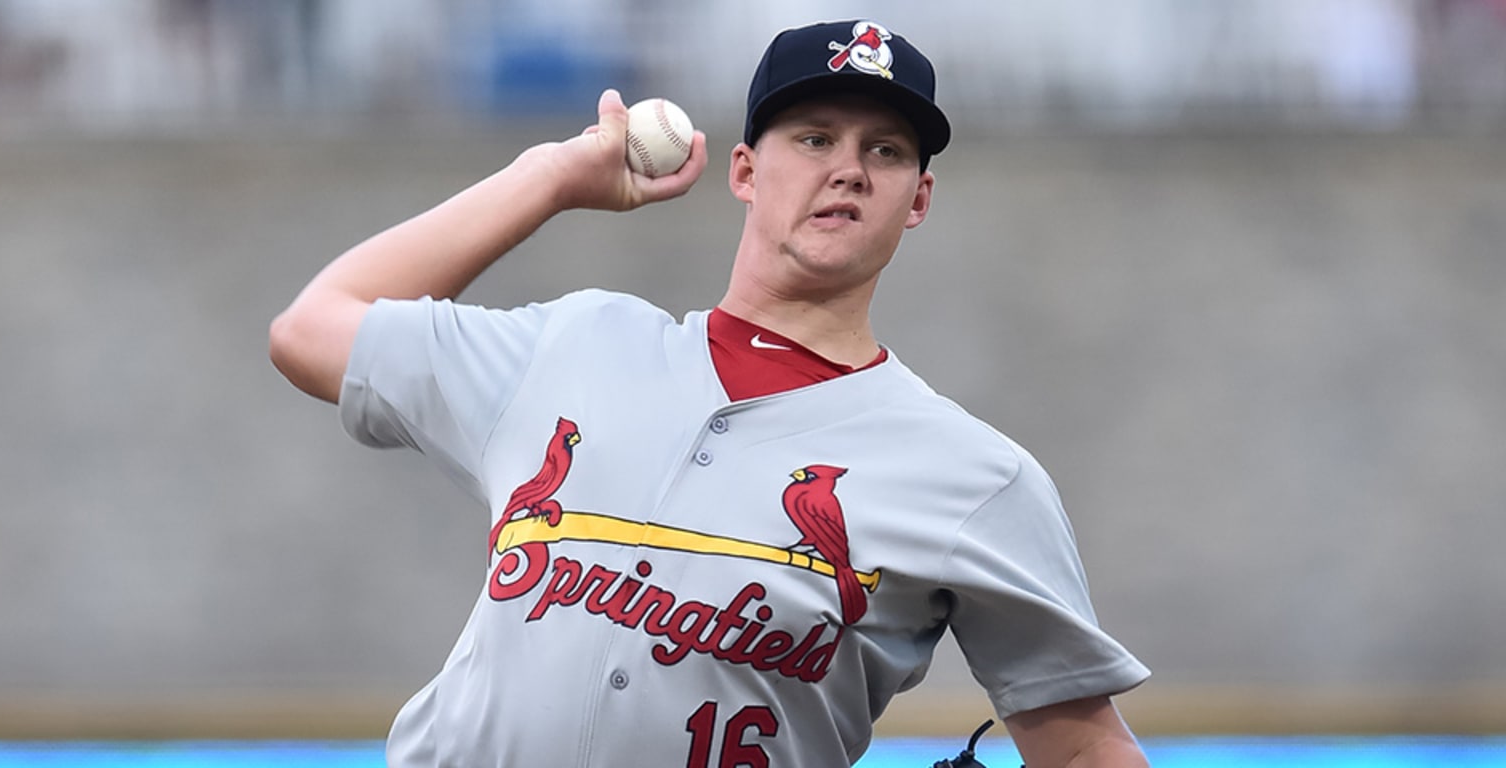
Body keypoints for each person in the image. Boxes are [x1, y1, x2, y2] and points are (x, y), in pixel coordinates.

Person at [270, 19, 1151, 768]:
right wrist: (548, 178)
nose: (847, 169)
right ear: (743, 172)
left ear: (917, 199)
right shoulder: (574, 345)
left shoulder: (971, 476)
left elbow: (1080, 744)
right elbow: (311, 332)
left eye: (883, 151)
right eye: (814, 138)